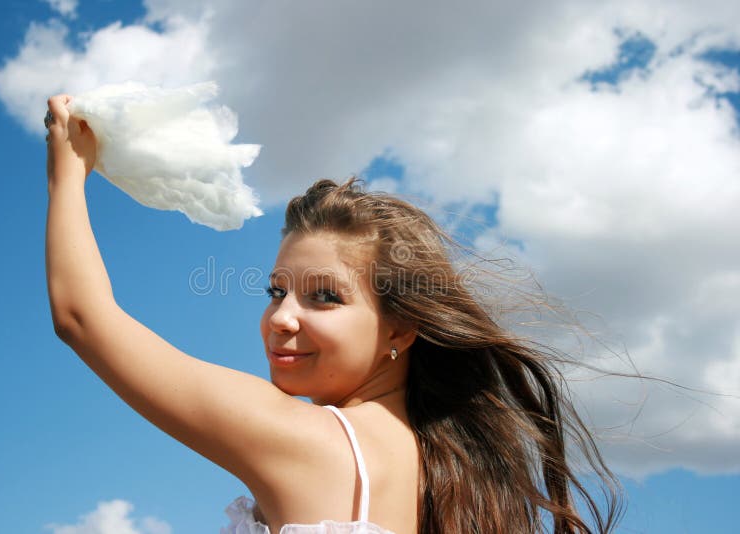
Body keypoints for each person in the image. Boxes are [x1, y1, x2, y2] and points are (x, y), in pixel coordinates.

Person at [45, 94, 623, 533]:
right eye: (276, 292)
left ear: (400, 327)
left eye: (324, 296)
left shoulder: (307, 440)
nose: (282, 319)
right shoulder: (448, 481)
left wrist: (68, 172)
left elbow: (82, 318)